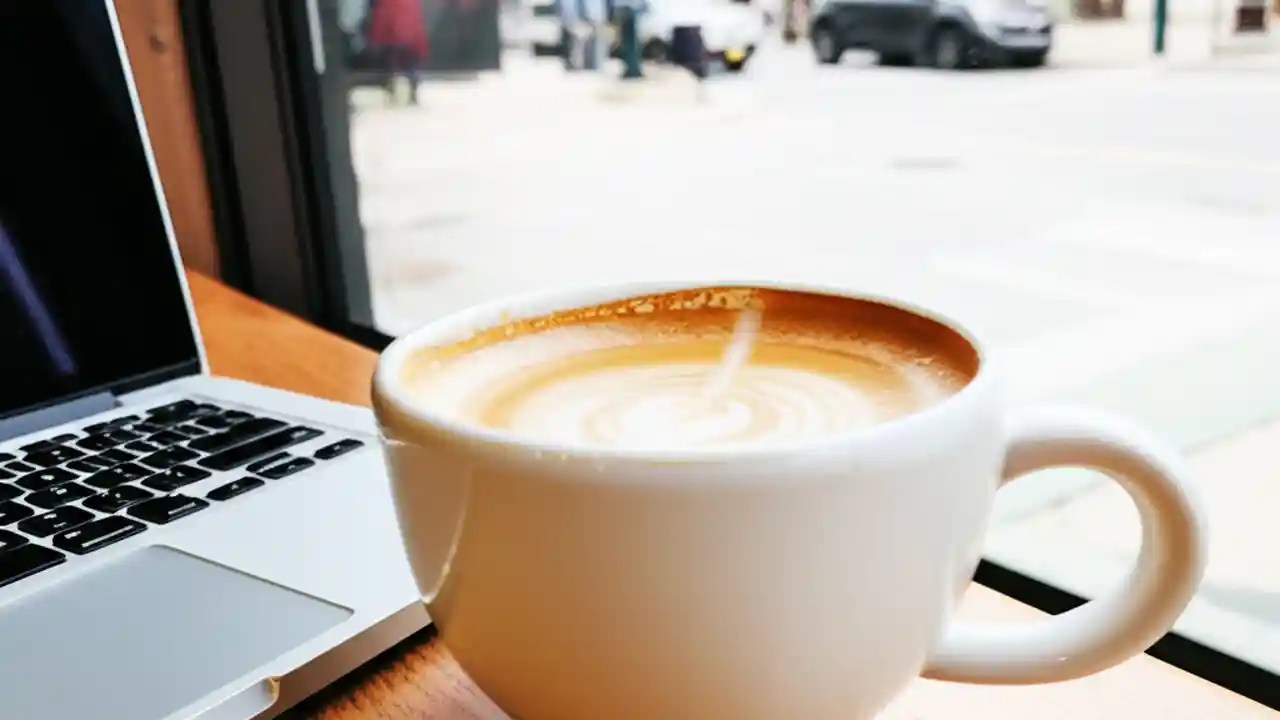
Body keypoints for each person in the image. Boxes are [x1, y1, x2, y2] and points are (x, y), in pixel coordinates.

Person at [367, 0, 430, 104]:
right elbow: (417, 19)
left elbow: (381, 18)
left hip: (393, 38)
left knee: (391, 64)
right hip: (410, 38)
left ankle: (392, 90)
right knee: (411, 65)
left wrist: (376, 40)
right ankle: (412, 92)